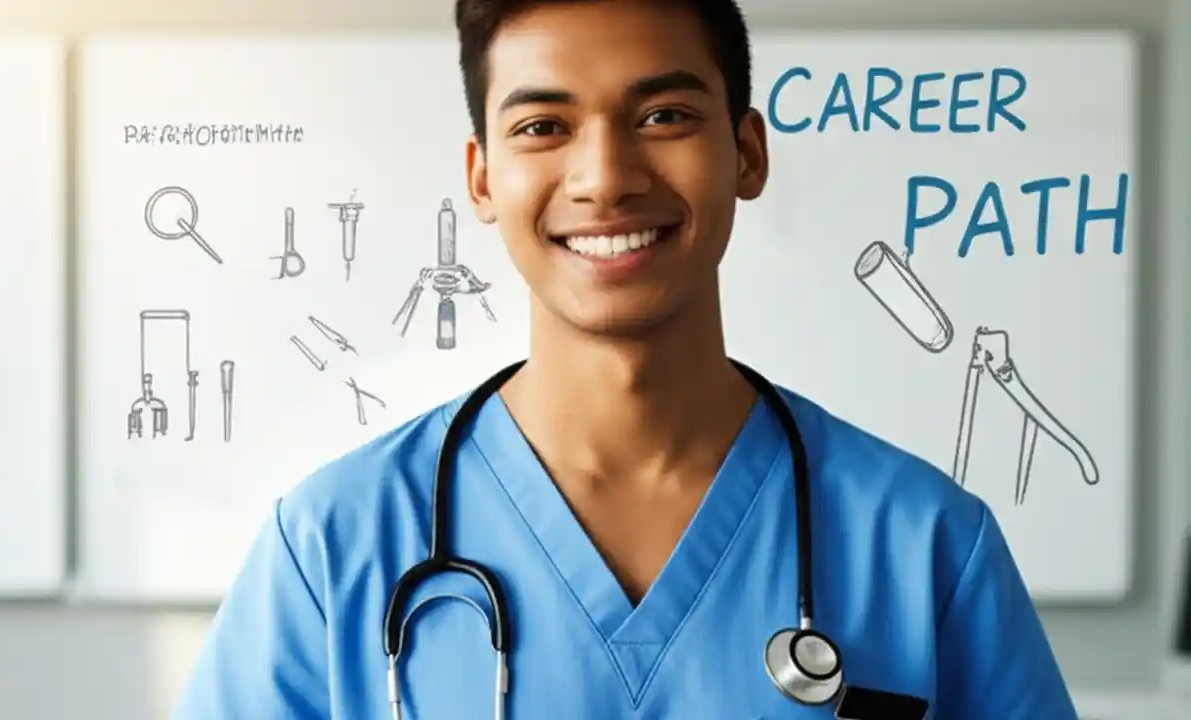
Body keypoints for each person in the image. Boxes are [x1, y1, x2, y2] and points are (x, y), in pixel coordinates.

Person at [171, 0, 1078, 717]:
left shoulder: (925, 545)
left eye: (664, 115)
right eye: (543, 127)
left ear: (746, 153)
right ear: (482, 177)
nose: (605, 177)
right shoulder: (333, 548)